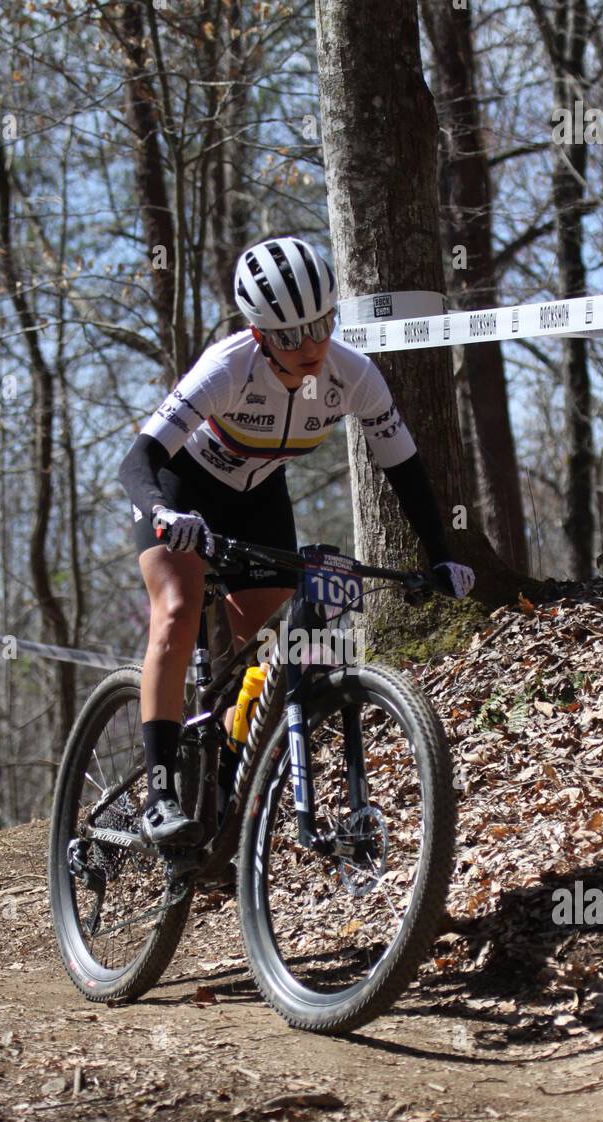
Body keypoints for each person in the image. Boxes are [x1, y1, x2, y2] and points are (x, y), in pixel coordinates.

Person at [119, 235, 475, 848]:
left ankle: (224, 809)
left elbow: (405, 471)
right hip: (182, 492)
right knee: (177, 612)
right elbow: (138, 459)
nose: (309, 346)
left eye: (320, 326)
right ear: (259, 334)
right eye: (289, 336)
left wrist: (439, 554)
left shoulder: (352, 375)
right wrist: (160, 512)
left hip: (258, 501)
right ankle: (159, 794)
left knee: (264, 660)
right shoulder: (229, 367)